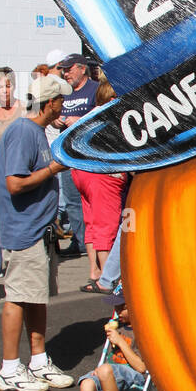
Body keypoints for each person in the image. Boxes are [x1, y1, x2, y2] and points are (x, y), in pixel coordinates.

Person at [0, 73, 75, 391]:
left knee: (35, 297)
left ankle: (38, 360)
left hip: (38, 229)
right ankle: (10, 368)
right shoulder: (23, 131)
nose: (63, 106)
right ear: (50, 103)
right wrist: (53, 169)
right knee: (17, 296)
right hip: (24, 231)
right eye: (60, 101)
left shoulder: (37, 130)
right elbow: (14, 183)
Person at [71, 79, 128, 292]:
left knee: (92, 223)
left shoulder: (88, 116)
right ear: (113, 99)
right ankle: (107, 277)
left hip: (80, 173)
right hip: (102, 175)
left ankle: (94, 270)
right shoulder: (109, 117)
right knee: (108, 225)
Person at [52, 55, 98, 260]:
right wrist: (56, 121)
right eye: (63, 69)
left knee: (93, 202)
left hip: (89, 157)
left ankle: (99, 243)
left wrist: (80, 120)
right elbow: (53, 117)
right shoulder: (65, 93)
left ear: (82, 69)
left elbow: (104, 116)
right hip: (68, 157)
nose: (66, 73)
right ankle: (79, 240)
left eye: (69, 69)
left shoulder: (95, 89)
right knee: (72, 201)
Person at [0, 67, 22, 276]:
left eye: (8, 85)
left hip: (17, 169)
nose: (5, 91)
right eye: (0, 87)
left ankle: (16, 254)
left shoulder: (24, 109)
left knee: (14, 213)